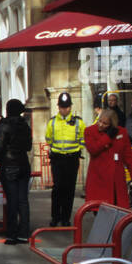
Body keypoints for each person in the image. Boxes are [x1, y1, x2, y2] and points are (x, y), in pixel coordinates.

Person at [85, 108, 132, 207]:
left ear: (112, 124)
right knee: (100, 212)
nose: (101, 125)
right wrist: (108, 137)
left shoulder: (122, 132)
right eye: (100, 121)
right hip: (99, 179)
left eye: (105, 123)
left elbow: (128, 156)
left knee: (119, 212)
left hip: (117, 180)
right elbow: (93, 149)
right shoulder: (90, 131)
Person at [0, 99, 33, 244]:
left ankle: (12, 234)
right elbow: (28, 146)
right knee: (23, 200)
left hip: (9, 164)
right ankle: (24, 233)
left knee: (12, 200)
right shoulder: (25, 125)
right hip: (24, 164)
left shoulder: (5, 124)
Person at [45, 91, 85, 227]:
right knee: (57, 188)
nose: (64, 109)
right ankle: (55, 217)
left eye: (67, 107)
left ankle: (65, 218)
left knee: (69, 189)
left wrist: (77, 149)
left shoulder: (79, 122)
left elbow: (83, 139)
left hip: (72, 159)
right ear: (58, 107)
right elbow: (48, 138)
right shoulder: (52, 122)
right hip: (57, 159)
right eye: (62, 107)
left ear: (70, 107)